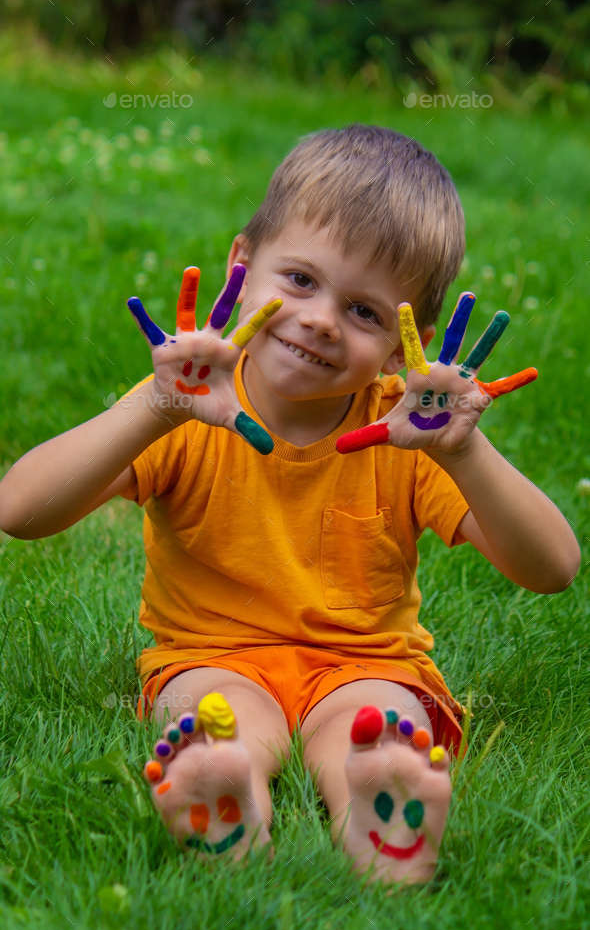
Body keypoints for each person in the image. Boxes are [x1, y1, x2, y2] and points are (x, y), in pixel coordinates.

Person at [0, 125, 579, 884]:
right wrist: (153, 411)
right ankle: (224, 787)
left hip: (366, 665)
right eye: (301, 280)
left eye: (365, 312)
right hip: (212, 657)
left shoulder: (407, 433)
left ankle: (384, 811)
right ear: (242, 265)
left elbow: (553, 568)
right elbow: (21, 509)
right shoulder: (185, 407)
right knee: (216, 717)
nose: (321, 320)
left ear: (408, 343)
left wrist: (462, 452)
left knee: (374, 724)